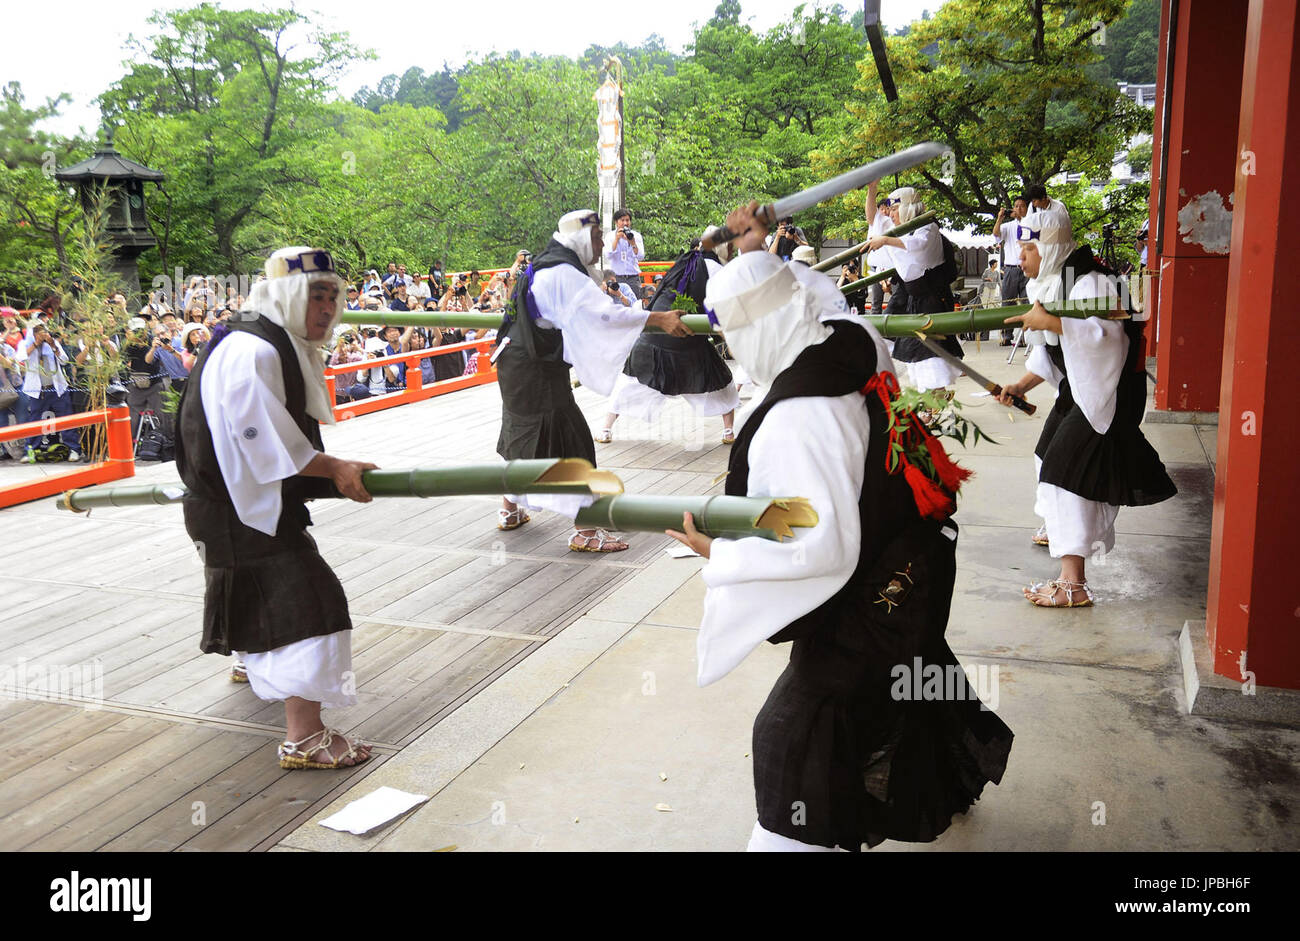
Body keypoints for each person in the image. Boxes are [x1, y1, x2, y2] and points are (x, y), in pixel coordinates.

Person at [668, 201, 1012, 851]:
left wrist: (724, 551)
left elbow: (816, 542)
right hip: (912, 558)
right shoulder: (851, 336)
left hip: (871, 592)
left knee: (793, 737)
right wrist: (753, 250)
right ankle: (925, 787)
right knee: (901, 689)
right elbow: (816, 292)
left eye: (732, 333)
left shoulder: (800, 415)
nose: (732, 348)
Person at [175, 245, 377, 769]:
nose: (328, 308)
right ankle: (304, 738)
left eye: (334, 295)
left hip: (228, 506)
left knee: (259, 592)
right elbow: (257, 441)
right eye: (317, 295)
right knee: (310, 605)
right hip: (238, 510)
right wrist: (332, 467)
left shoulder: (258, 335)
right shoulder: (256, 351)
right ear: (287, 295)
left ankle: (251, 659)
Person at [998, 210, 1176, 607]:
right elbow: (1048, 356)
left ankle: (1073, 583)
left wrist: (1054, 323)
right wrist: (1018, 386)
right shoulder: (1053, 283)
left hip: (1107, 392)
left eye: (1029, 248)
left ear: (1051, 248)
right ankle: (1061, 531)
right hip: (1079, 390)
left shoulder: (1089, 282)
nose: (1021, 257)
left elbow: (1106, 338)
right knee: (1047, 458)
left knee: (1067, 474)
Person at [495, 209, 693, 551]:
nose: (602, 245)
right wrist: (658, 317)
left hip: (515, 362)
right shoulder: (561, 272)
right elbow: (605, 314)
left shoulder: (546, 262)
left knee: (522, 434)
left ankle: (509, 509)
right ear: (581, 237)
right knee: (572, 441)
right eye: (598, 237)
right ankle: (585, 530)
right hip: (535, 369)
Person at [599, 226, 741, 445]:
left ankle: (606, 428)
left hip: (657, 333)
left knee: (629, 382)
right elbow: (721, 306)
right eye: (730, 246)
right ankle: (728, 431)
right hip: (684, 336)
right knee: (722, 381)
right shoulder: (717, 270)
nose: (732, 250)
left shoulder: (683, 262)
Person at [867, 186, 963, 391]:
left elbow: (918, 247)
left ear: (906, 209)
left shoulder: (928, 228)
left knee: (931, 358)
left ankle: (935, 406)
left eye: (894, 210)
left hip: (933, 300)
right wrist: (871, 189)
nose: (890, 215)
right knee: (918, 359)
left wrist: (885, 240)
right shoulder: (900, 234)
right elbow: (874, 221)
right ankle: (931, 405)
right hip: (914, 300)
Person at [14, 320, 81, 461]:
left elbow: (64, 360)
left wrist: (52, 345)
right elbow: (20, 358)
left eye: (43, 331)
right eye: (38, 331)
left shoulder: (53, 343)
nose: (42, 334)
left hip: (57, 389)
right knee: (35, 421)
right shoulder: (25, 344)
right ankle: (30, 451)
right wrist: (36, 344)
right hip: (37, 391)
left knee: (66, 418)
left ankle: (74, 449)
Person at [994, 195, 1030, 344]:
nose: (1019, 208)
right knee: (1007, 302)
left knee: (1027, 302)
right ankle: (1006, 335)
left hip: (1027, 268)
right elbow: (996, 234)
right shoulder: (1008, 226)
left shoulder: (1032, 224)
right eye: (1016, 206)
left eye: (1022, 206)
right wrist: (1000, 218)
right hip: (1010, 268)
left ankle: (1024, 337)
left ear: (1027, 208)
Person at [604, 209, 645, 296]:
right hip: (616, 277)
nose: (625, 223)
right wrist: (616, 239)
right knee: (616, 304)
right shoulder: (610, 236)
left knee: (635, 304)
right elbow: (608, 255)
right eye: (622, 220)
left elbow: (641, 257)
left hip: (633, 277)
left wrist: (632, 243)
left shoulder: (636, 236)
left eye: (627, 220)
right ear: (616, 222)